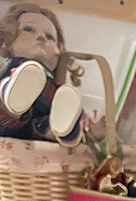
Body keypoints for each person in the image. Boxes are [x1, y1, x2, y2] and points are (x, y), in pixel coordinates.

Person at [0, 3, 84, 144]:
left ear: (58, 54)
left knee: (61, 112)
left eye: (50, 37)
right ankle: (12, 99)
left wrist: (93, 129)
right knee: (8, 88)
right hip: (6, 117)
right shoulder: (6, 63)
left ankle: (65, 130)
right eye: (29, 29)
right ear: (7, 41)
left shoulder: (55, 86)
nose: (41, 37)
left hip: (37, 127)